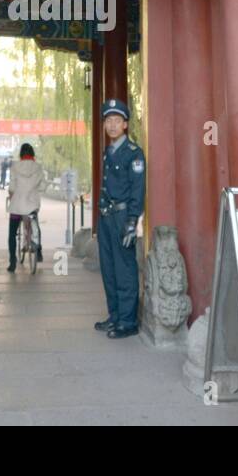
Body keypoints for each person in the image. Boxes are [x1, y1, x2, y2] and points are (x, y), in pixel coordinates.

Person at [94, 99, 145, 339]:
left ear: (125, 124)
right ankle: (114, 315)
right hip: (106, 216)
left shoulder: (133, 153)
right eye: (108, 121)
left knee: (124, 268)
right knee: (109, 268)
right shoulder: (109, 151)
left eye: (117, 121)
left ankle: (127, 321)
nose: (112, 125)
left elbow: (138, 190)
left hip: (123, 216)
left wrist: (132, 221)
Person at [6, 143, 44, 272]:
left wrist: (11, 195)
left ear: (21, 154)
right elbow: (42, 187)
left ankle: (12, 262)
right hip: (32, 205)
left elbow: (12, 187)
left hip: (17, 206)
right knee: (36, 226)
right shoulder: (38, 168)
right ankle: (38, 251)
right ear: (33, 154)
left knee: (12, 234)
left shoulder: (15, 166)